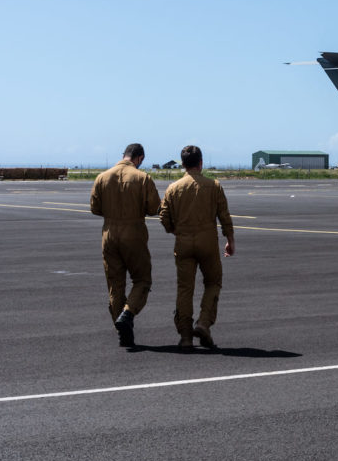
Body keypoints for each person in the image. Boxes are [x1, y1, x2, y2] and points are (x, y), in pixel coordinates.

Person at [159, 145, 235, 350]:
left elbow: (164, 217)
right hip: (207, 242)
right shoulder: (214, 185)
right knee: (213, 282)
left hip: (183, 242)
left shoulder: (173, 188)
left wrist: (175, 230)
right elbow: (224, 215)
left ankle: (185, 336)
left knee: (185, 289)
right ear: (201, 163)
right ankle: (203, 322)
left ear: (183, 164)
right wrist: (230, 239)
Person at [90, 143, 160, 347]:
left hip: (109, 234)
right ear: (139, 158)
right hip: (134, 234)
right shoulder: (142, 178)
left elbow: (95, 208)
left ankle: (122, 331)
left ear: (124, 155)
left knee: (115, 285)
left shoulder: (102, 177)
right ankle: (127, 315)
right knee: (142, 280)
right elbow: (154, 207)